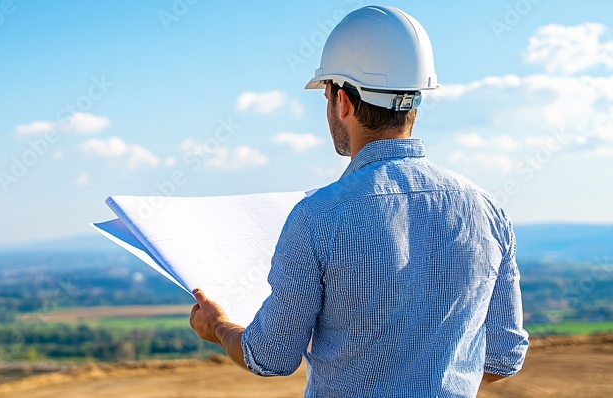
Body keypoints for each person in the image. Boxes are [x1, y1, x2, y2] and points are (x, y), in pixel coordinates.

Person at [188, 5, 529, 397]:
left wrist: (218, 327)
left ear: (343, 102)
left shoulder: (317, 217)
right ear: (415, 100)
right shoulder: (487, 209)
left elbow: (272, 356)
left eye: (326, 97)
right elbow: (503, 358)